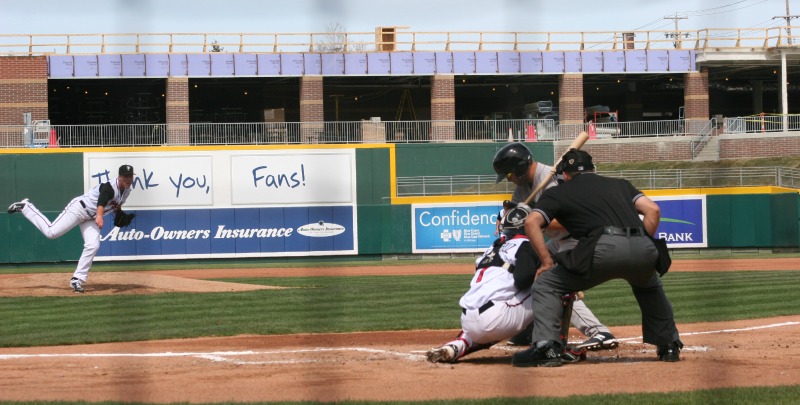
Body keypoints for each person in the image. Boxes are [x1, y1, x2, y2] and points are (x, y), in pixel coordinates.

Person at [510, 148, 682, 367]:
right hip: (643, 246)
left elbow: (531, 222)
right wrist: (642, 241)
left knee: (546, 284)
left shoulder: (559, 192)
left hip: (602, 247)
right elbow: (653, 211)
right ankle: (669, 345)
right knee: (649, 286)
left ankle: (547, 348)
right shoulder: (621, 184)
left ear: (564, 175)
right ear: (594, 169)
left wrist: (546, 261)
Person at [492, 142, 617, 351]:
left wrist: (534, 217)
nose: (509, 179)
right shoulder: (523, 187)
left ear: (520, 169)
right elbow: (513, 215)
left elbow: (568, 220)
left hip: (579, 238)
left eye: (509, 175)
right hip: (557, 241)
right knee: (522, 268)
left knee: (555, 283)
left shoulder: (550, 181)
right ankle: (530, 329)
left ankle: (599, 332)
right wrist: (506, 215)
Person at [426, 205, 585, 364]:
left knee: (487, 324)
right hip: (497, 319)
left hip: (467, 321)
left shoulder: (493, 247)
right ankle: (555, 349)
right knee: (556, 286)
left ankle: (457, 345)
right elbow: (522, 279)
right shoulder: (526, 243)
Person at [7, 164, 136, 293]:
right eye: (126, 176)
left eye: (130, 176)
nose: (128, 179)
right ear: (119, 177)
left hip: (91, 217)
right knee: (51, 232)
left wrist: (118, 213)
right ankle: (26, 207)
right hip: (79, 209)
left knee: (93, 245)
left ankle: (77, 279)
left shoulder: (127, 191)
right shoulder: (109, 187)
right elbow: (102, 201)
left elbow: (115, 205)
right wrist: (100, 216)